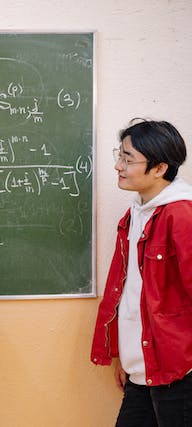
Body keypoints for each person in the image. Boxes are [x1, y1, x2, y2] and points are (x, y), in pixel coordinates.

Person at [91, 119, 192, 426]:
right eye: (119, 156)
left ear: (160, 168)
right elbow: (131, 294)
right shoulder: (136, 214)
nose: (118, 166)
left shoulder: (181, 215)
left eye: (128, 159)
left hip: (179, 371)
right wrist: (128, 356)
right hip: (144, 369)